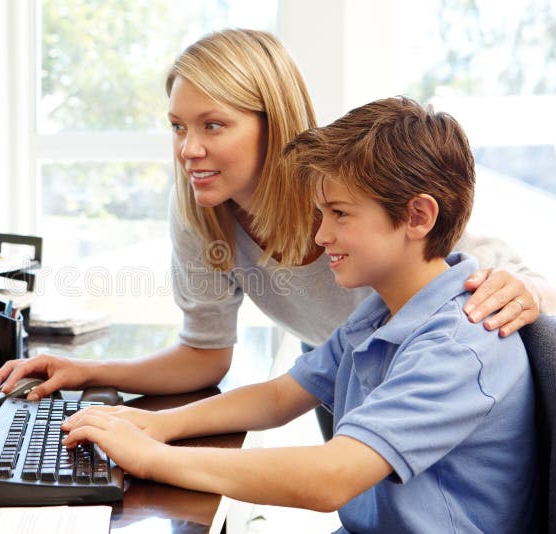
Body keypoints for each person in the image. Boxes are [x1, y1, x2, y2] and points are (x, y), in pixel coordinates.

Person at [0, 28, 553, 407]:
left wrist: (526, 289)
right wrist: (91, 372)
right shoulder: (202, 210)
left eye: (212, 125)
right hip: (340, 369)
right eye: (177, 127)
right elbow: (205, 354)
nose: (187, 150)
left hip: (429, 379)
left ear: (273, 121)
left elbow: (499, 269)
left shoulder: (349, 185)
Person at [61, 96, 535, 532]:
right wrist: (158, 424)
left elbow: (330, 479)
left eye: (339, 214)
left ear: (417, 217)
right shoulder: (380, 315)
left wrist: (151, 458)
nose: (321, 235)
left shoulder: (457, 346)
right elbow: (279, 397)